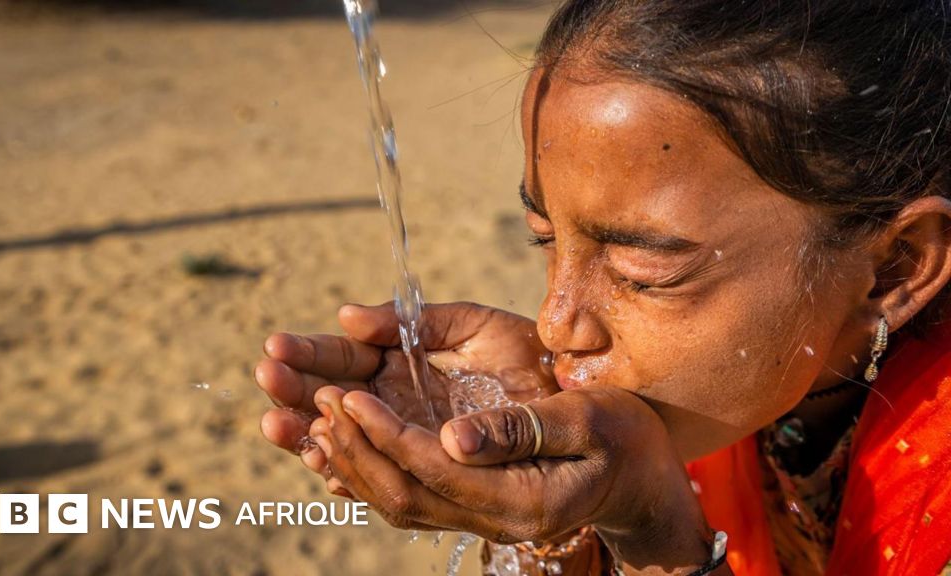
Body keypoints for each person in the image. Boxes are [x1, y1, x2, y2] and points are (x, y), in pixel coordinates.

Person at [254, 1, 951, 574]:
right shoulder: (756, 385)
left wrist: (650, 522)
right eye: (546, 238)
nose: (554, 325)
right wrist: (562, 512)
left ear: (897, 267)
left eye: (640, 270)